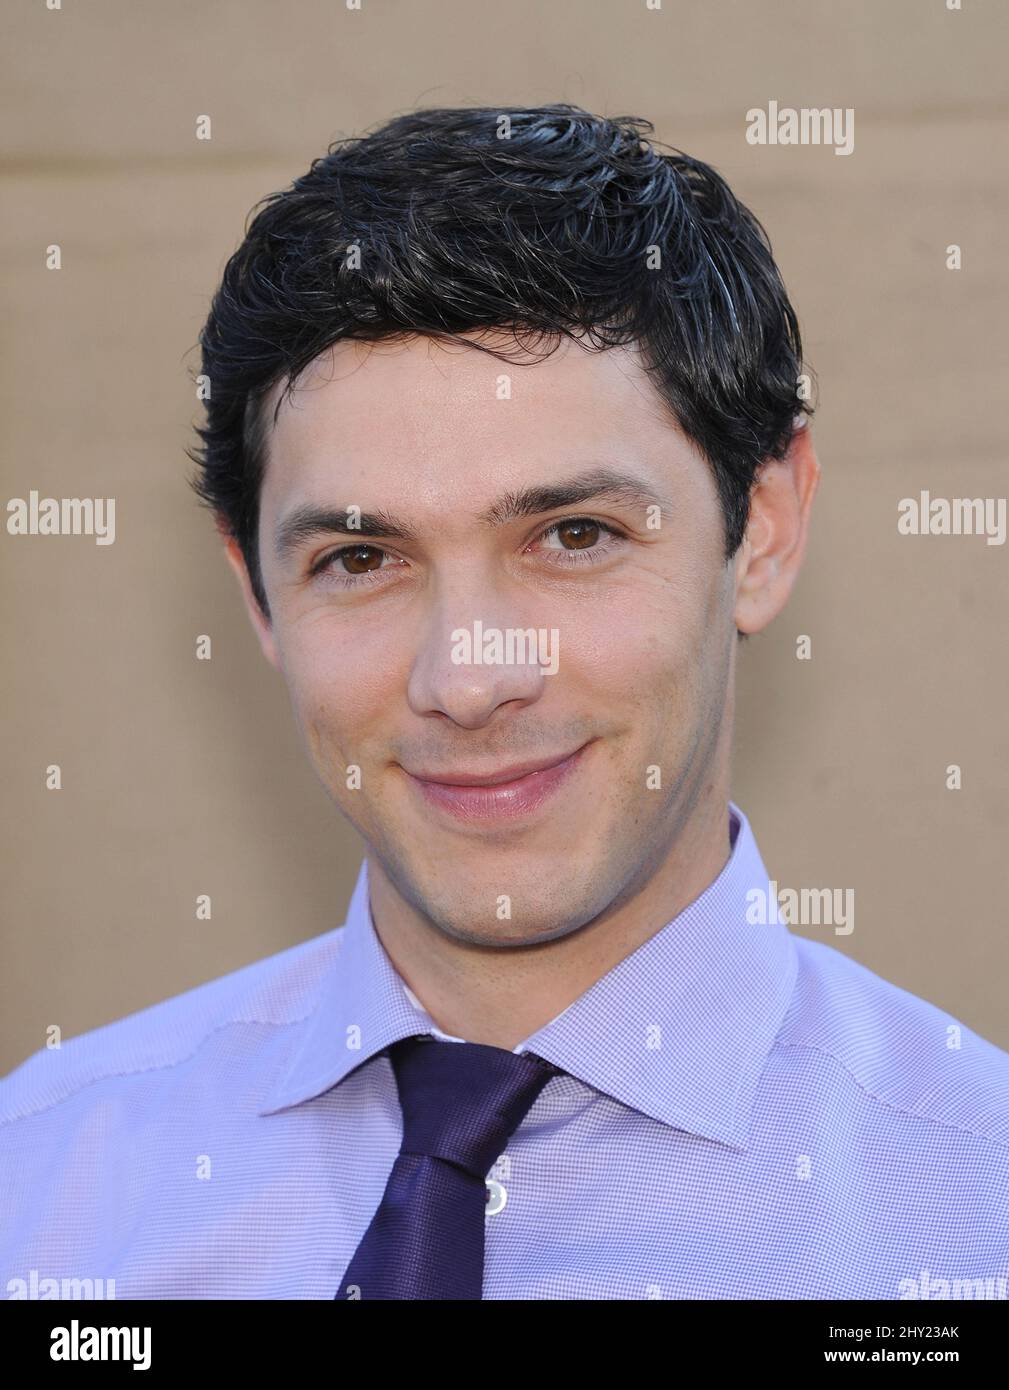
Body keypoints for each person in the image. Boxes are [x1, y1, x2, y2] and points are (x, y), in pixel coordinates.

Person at [3, 105, 1007, 1302]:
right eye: (361, 560)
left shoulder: (970, 1216)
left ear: (765, 530)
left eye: (573, 536)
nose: (468, 677)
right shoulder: (44, 1187)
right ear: (256, 592)